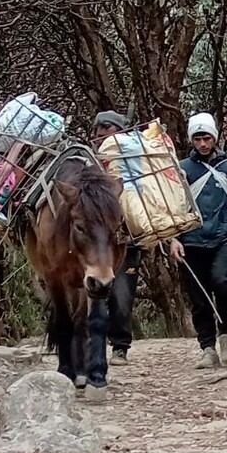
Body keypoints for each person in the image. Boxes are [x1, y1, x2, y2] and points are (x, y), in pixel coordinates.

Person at [170, 112, 227, 368]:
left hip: (226, 237)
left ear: (214, 138)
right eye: (198, 139)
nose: (203, 144)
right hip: (192, 241)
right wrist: (173, 238)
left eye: (207, 138)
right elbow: (173, 207)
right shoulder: (182, 169)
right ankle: (207, 347)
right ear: (191, 140)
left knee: (223, 284)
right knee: (199, 297)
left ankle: (225, 333)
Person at [91, 110, 144, 364]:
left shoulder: (136, 162)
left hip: (127, 241)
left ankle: (120, 346)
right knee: (96, 295)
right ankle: (95, 345)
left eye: (108, 127)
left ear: (120, 132)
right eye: (99, 128)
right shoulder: (90, 165)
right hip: (95, 246)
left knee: (122, 296)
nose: (102, 133)